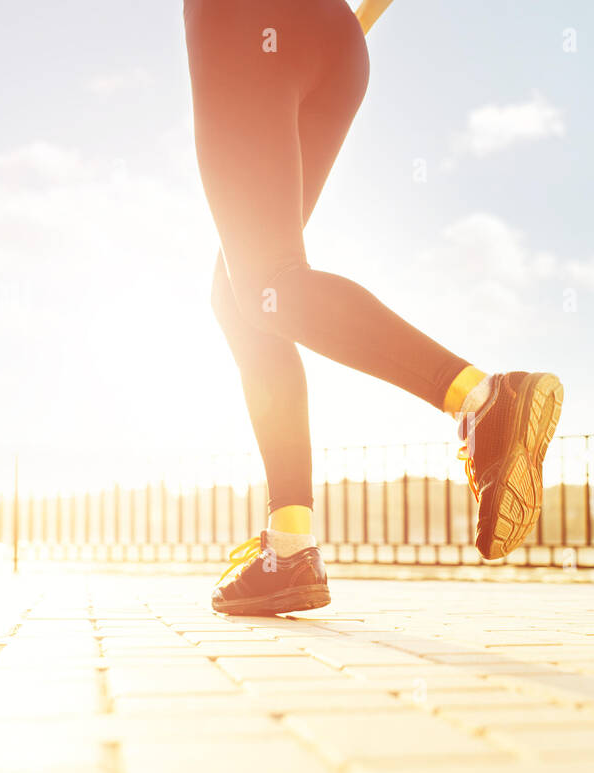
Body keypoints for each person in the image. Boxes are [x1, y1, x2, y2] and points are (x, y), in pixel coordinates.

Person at [185, 0, 563, 615]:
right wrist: (340, 25)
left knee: (262, 284)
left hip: (242, 26)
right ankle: (290, 548)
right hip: (335, 43)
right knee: (241, 292)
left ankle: (484, 399)